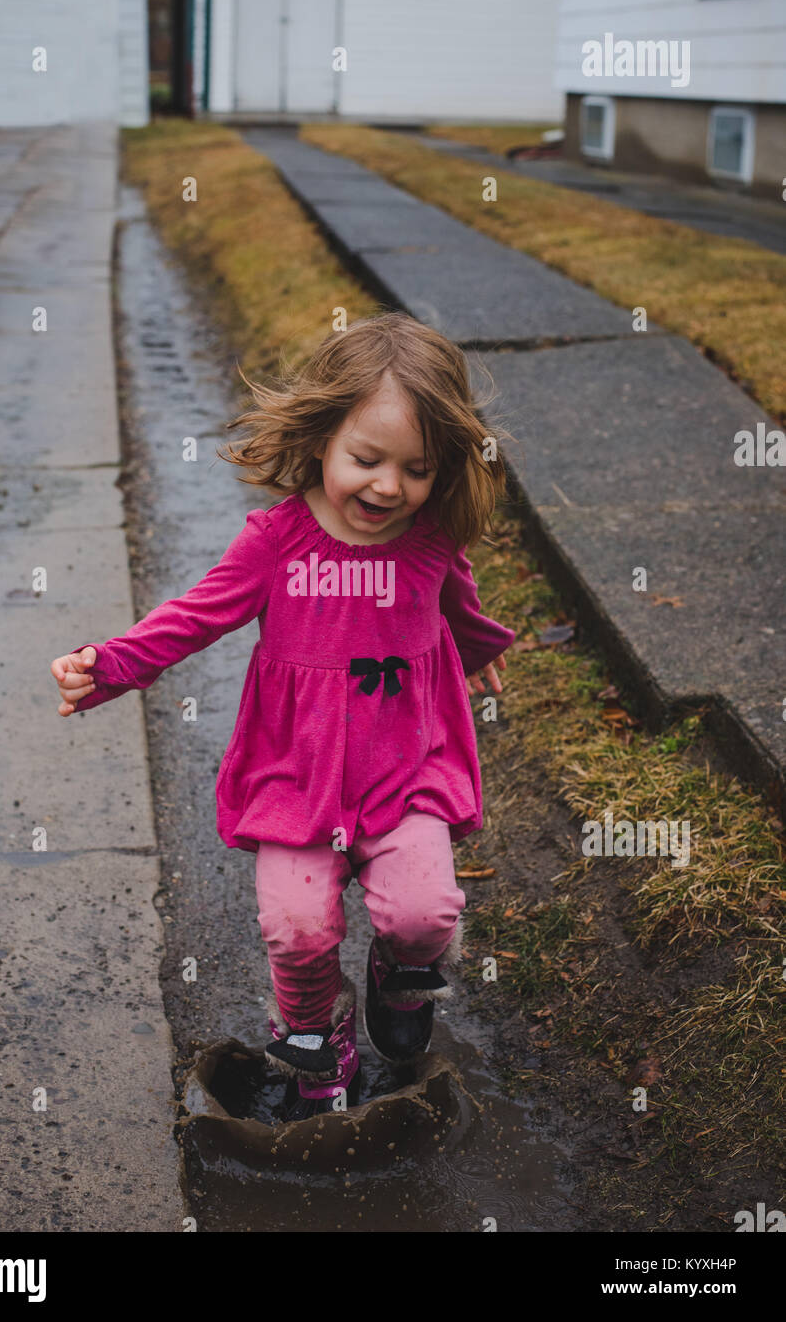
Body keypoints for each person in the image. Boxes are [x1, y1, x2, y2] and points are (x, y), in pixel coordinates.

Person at [51, 311, 515, 1121]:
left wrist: (476, 650)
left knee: (425, 911)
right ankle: (314, 1042)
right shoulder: (277, 542)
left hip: (407, 763)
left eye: (415, 469)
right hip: (298, 773)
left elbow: (456, 603)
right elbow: (195, 615)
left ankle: (398, 978)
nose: (385, 487)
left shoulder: (432, 538)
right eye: (365, 459)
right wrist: (109, 666)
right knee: (297, 927)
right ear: (321, 437)